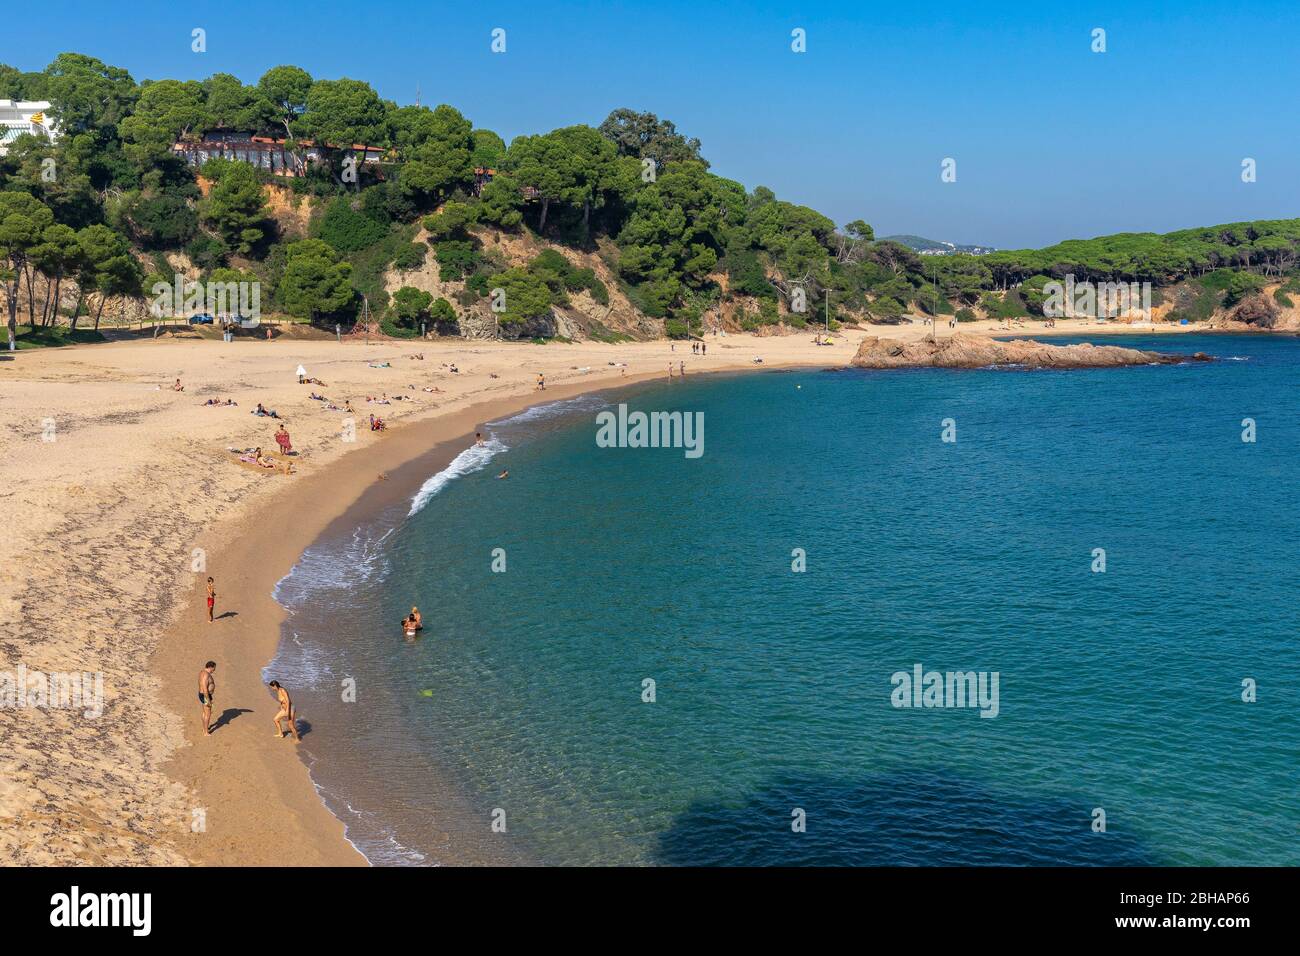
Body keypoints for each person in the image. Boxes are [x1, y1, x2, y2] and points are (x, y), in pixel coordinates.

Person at [198, 662, 216, 735]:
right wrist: (208, 699)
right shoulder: (206, 674)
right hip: (205, 695)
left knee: (204, 713)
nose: (214, 670)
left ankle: (204, 728)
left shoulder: (202, 672)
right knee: (208, 714)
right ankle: (205, 732)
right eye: (214, 668)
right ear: (211, 667)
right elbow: (205, 688)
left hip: (203, 695)